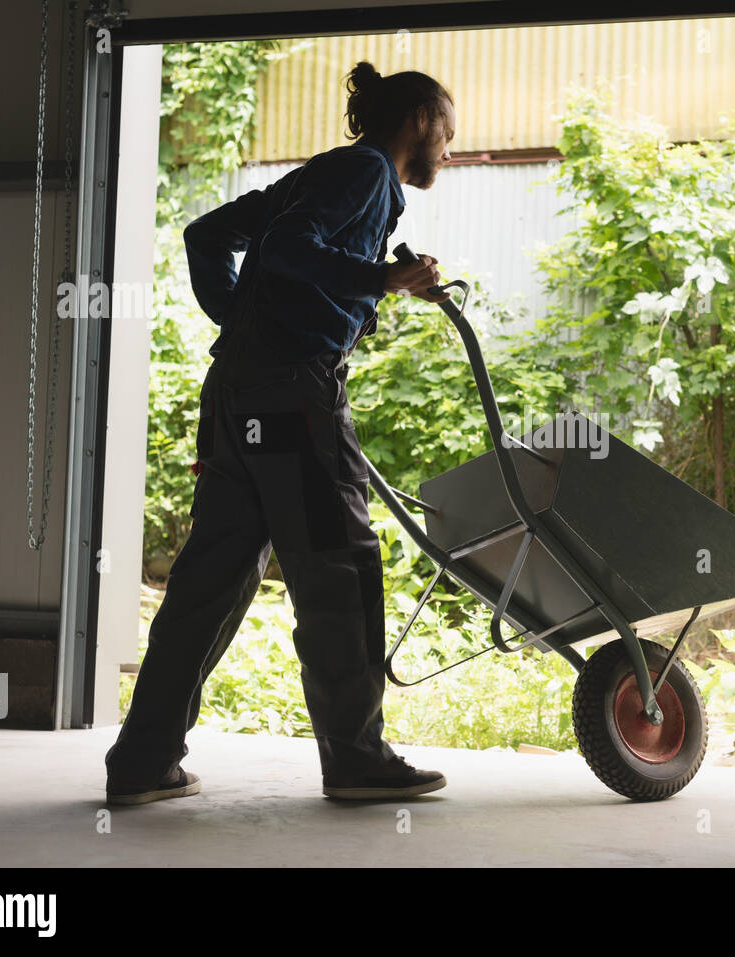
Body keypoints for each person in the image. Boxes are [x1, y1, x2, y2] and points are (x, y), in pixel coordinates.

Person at [105, 61, 457, 805]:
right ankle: (357, 758)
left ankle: (142, 760)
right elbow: (297, 251)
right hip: (292, 398)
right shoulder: (365, 173)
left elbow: (209, 234)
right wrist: (382, 282)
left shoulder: (319, 174)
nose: (450, 150)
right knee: (340, 566)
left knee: (212, 576)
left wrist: (239, 323)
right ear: (420, 120)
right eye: (447, 133)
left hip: (239, 393)